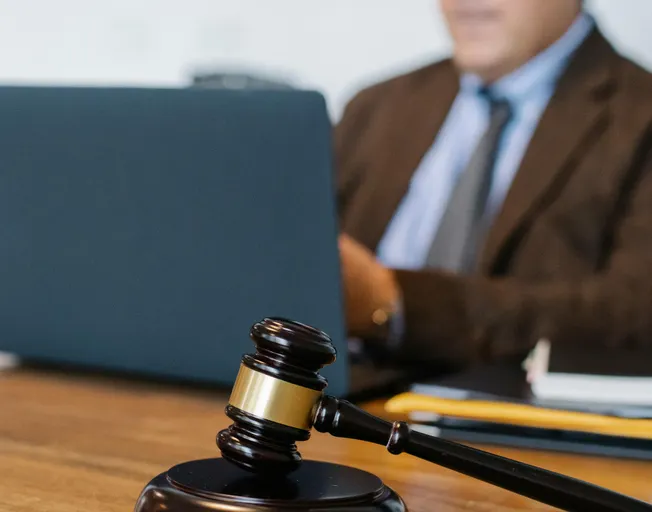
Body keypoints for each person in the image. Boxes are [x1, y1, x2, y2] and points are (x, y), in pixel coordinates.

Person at [335, 0, 652, 370]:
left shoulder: (638, 118)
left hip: (502, 419)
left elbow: (633, 312)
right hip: (336, 409)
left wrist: (394, 300)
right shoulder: (377, 105)